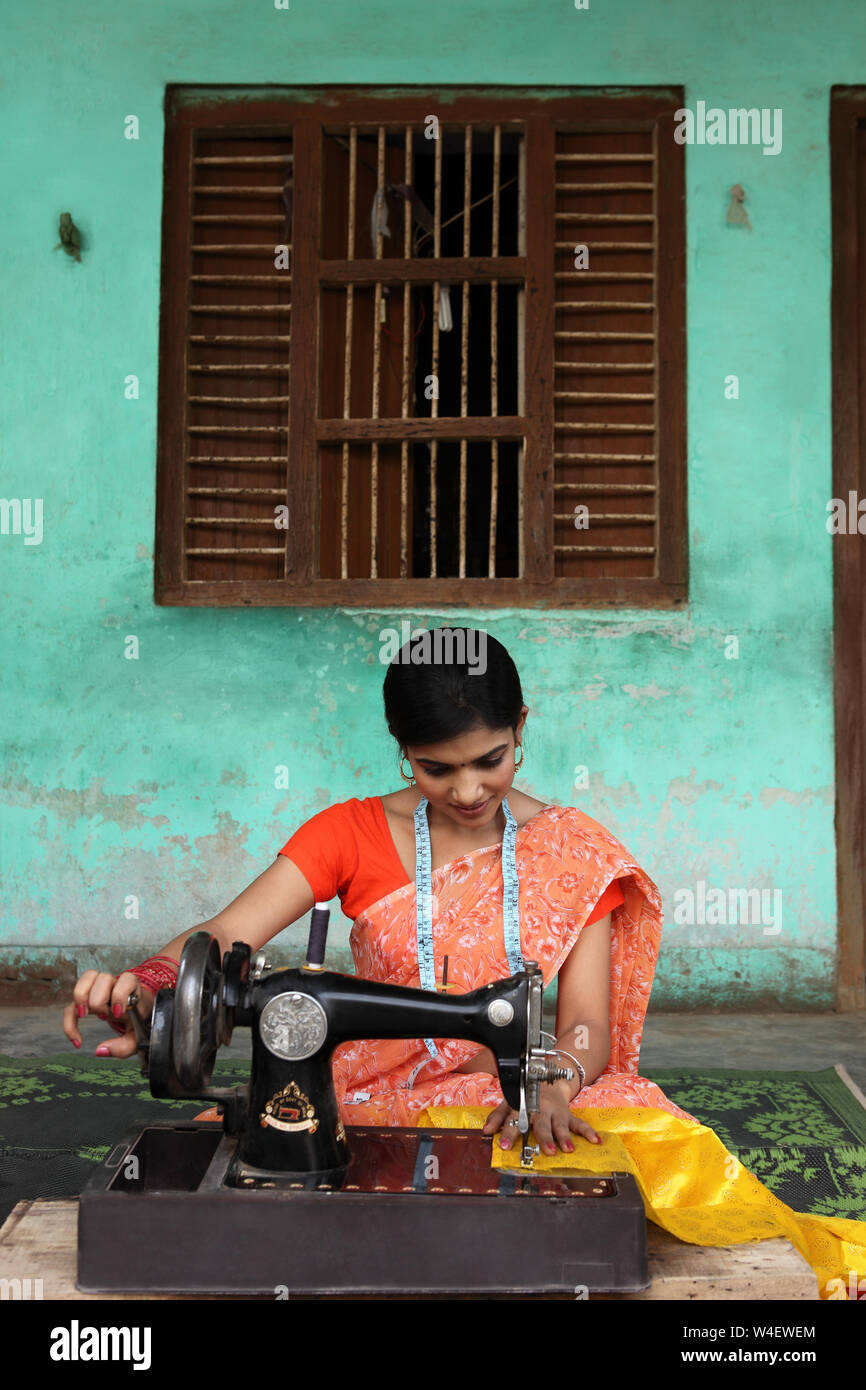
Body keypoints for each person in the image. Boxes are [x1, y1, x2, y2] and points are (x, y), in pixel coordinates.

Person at [63, 626, 695, 1155]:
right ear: (404, 751)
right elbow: (227, 936)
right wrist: (145, 986)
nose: (468, 791)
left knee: (652, 1143)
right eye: (437, 768)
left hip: (511, 1089)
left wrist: (551, 1086)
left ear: (520, 728)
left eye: (490, 760)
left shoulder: (573, 852)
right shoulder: (349, 833)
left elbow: (584, 1025)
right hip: (372, 1095)